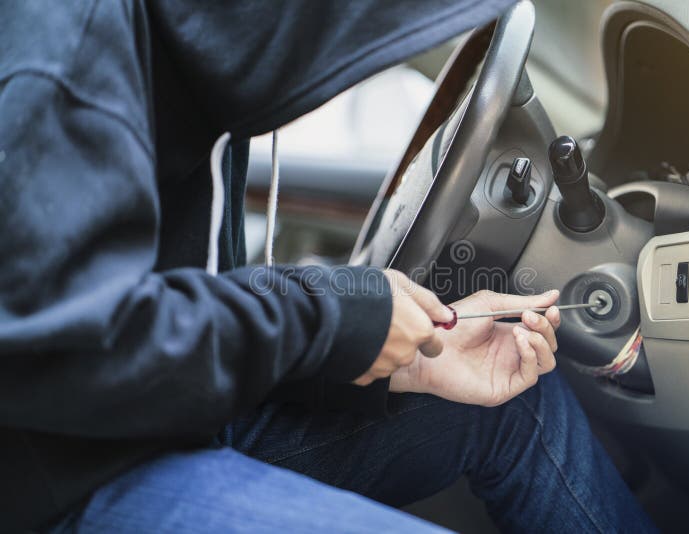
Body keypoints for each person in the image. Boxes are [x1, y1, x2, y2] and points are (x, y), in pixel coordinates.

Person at [0, 1, 654, 532]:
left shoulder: (172, 49)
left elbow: (163, 302)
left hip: (145, 420)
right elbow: (63, 351)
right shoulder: (59, 51)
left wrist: (402, 360)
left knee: (510, 400)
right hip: (55, 481)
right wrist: (335, 319)